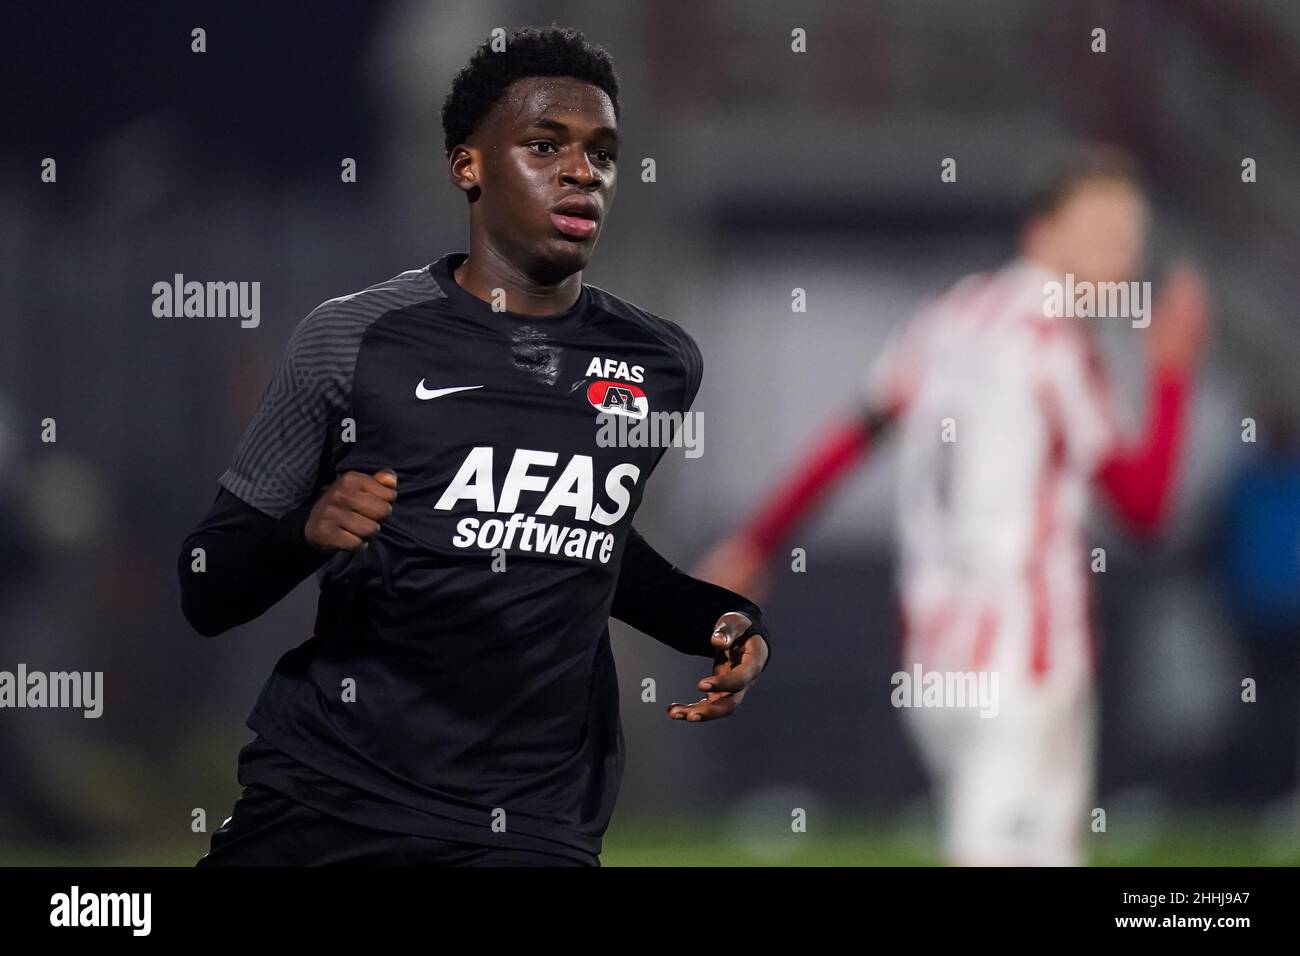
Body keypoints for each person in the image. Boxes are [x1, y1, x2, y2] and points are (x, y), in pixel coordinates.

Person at [179, 26, 771, 867]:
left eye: (603, 153)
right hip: (327, 795)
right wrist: (304, 531)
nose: (583, 172)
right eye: (544, 145)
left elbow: (591, 551)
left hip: (530, 824)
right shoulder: (353, 339)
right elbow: (205, 587)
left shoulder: (660, 363)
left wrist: (720, 619)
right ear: (469, 166)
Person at [696, 148, 1208, 865]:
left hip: (933, 649)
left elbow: (850, 439)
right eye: (1103, 229)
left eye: (1130, 234)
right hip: (1023, 653)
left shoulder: (948, 317)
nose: (1121, 253)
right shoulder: (1053, 341)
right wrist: (1172, 376)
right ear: (1042, 233)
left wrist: (756, 542)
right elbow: (1144, 511)